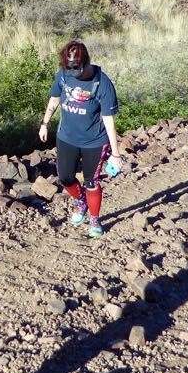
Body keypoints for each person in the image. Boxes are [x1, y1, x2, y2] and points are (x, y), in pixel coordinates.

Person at [39, 41, 123, 238]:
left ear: (86, 62)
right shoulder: (63, 75)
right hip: (66, 137)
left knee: (91, 182)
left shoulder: (102, 83)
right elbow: (54, 99)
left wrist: (115, 153)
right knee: (65, 177)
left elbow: (108, 120)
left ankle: (94, 219)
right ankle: (80, 201)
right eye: (68, 67)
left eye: (75, 67)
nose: (71, 71)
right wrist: (45, 123)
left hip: (94, 141)